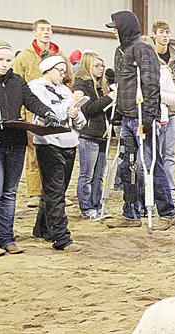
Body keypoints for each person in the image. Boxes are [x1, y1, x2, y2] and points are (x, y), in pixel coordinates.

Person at [0, 40, 59, 256]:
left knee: (9, 194)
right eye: (0, 60)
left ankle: (6, 238)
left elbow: (31, 101)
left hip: (15, 143)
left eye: (8, 60)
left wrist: (47, 113)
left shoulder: (17, 80)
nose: (5, 64)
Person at [106, 11, 173, 230]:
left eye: (116, 28)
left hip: (141, 117)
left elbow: (151, 85)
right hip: (127, 117)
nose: (114, 33)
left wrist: (149, 117)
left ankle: (168, 212)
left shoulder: (142, 49)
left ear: (124, 28)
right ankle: (131, 213)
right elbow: (123, 86)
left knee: (151, 164)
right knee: (129, 165)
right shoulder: (121, 51)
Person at [13, 19, 72, 209]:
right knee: (33, 152)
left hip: (57, 109)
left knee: (56, 152)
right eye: (42, 29)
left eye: (49, 29)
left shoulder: (60, 54)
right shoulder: (23, 57)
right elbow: (17, 84)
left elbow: (69, 78)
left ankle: (55, 191)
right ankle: (34, 192)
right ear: (35, 32)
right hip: (32, 111)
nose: (46, 32)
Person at [29, 56, 86, 251]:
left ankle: (42, 228)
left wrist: (76, 114)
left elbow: (80, 120)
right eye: (59, 70)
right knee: (55, 191)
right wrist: (68, 109)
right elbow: (48, 112)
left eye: (64, 70)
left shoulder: (64, 90)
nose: (63, 74)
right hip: (49, 142)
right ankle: (61, 237)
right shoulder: (36, 87)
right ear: (47, 69)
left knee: (57, 189)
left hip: (69, 141)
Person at [141, 35, 175, 228]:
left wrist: (154, 92)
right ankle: (137, 208)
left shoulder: (162, 70)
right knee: (137, 166)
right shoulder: (134, 71)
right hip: (136, 120)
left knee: (156, 164)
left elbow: (173, 99)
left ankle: (167, 209)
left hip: (157, 120)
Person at [73, 52, 114, 220]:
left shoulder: (101, 85)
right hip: (89, 135)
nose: (101, 69)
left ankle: (96, 205)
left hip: (102, 134)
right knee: (87, 175)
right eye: (97, 66)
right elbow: (88, 108)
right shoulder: (83, 84)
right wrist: (108, 99)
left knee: (99, 174)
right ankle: (86, 207)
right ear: (88, 66)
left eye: (102, 66)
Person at [152, 19, 175, 204]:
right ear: (154, 34)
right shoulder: (148, 55)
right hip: (154, 113)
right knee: (154, 153)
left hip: (172, 111)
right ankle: (153, 191)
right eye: (161, 32)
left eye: (167, 32)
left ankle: (170, 190)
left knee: (170, 154)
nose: (165, 35)